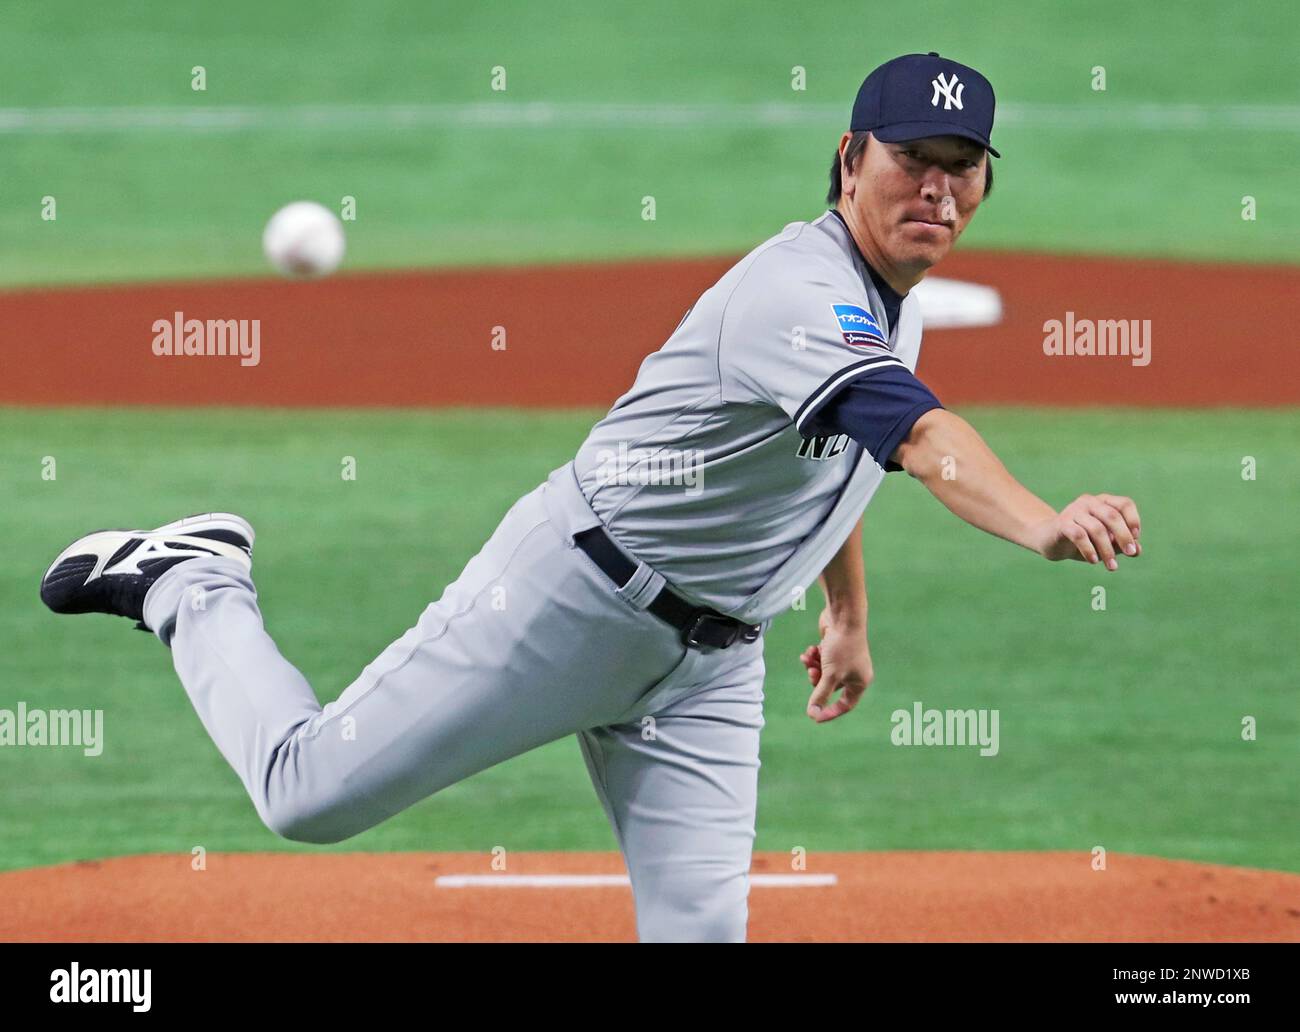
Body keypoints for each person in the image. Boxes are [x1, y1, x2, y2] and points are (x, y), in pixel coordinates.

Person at [41, 53, 1140, 942]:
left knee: (699, 937)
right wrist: (1041, 522)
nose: (937, 188)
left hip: (711, 667)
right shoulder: (797, 294)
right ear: (849, 159)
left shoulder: (891, 297)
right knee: (306, 795)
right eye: (912, 158)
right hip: (569, 600)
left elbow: (841, 453)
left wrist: (845, 614)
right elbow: (917, 436)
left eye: (963, 165)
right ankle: (195, 582)